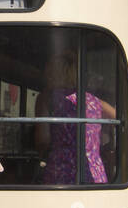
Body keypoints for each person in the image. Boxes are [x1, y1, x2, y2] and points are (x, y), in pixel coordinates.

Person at [35, 51, 116, 185]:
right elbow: (119, 119)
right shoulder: (94, 101)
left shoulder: (46, 98)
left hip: (60, 172)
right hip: (95, 173)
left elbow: (43, 140)